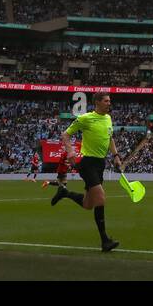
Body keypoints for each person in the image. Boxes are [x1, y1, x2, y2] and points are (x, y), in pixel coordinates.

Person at [50, 94, 123, 253]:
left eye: (110, 101)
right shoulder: (86, 118)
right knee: (101, 198)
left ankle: (64, 192)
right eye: (106, 101)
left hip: (100, 164)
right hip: (87, 162)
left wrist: (116, 156)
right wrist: (70, 152)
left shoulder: (108, 118)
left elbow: (110, 138)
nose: (109, 103)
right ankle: (105, 241)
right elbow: (66, 135)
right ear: (97, 102)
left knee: (88, 204)